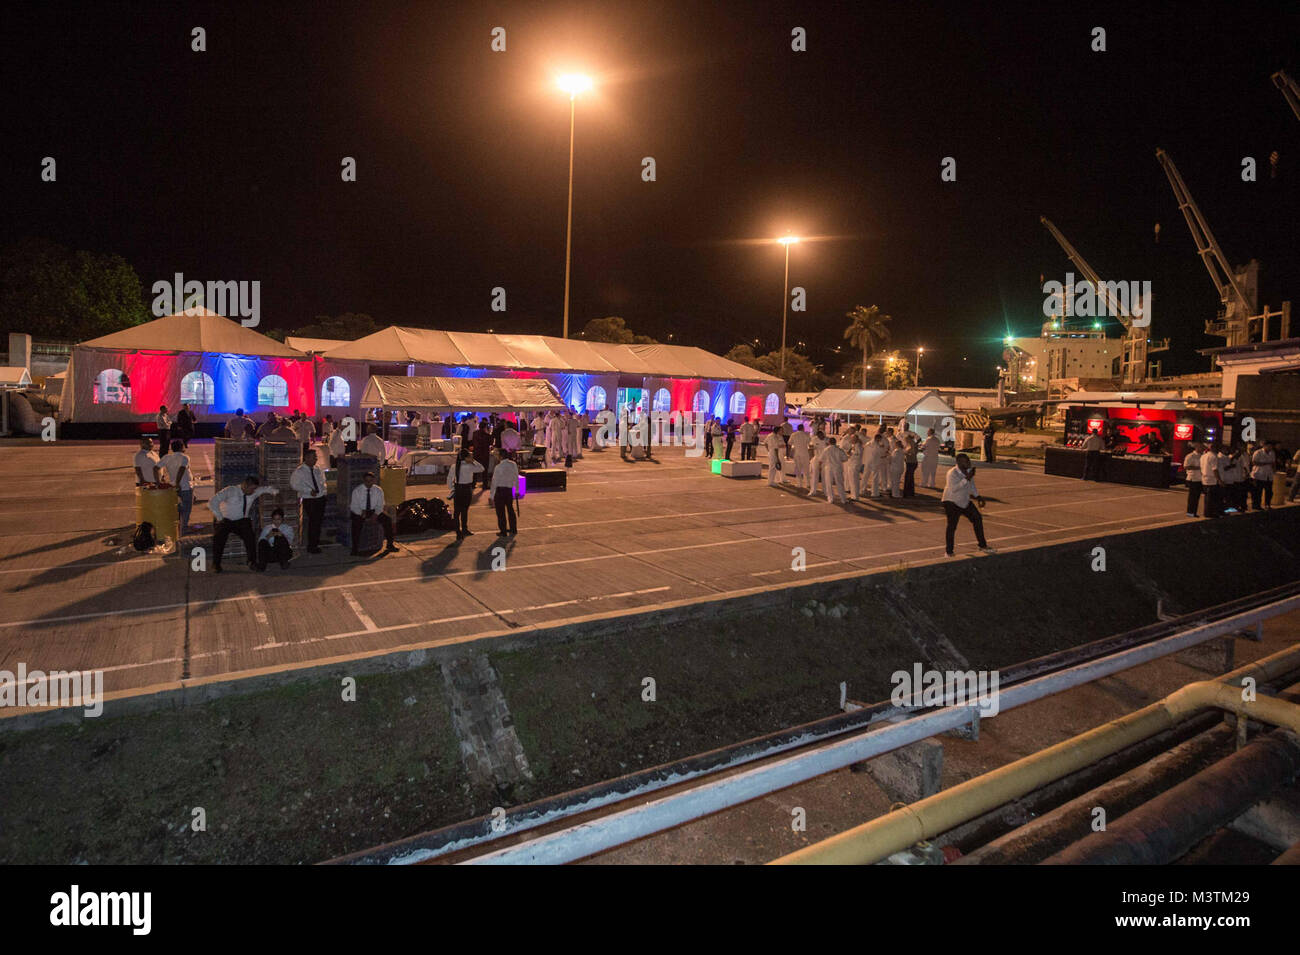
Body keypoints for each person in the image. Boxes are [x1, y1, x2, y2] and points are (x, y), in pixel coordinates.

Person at [209, 475, 277, 572]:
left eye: (255, 489)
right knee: (219, 539)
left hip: (241, 520)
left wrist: (276, 493)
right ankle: (216, 564)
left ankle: (251, 562)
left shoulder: (253, 492)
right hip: (225, 520)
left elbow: (265, 489)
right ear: (245, 485)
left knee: (250, 537)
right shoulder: (230, 491)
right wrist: (219, 517)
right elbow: (213, 502)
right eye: (252, 489)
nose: (254, 491)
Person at [942, 454, 993, 557]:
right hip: (951, 501)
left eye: (968, 460)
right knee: (952, 526)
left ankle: (982, 545)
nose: (969, 463)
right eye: (966, 461)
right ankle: (949, 551)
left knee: (977, 518)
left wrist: (978, 497)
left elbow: (971, 486)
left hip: (964, 501)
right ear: (959, 462)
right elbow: (954, 489)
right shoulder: (952, 473)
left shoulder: (968, 471)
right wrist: (967, 478)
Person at [349, 471, 397, 556]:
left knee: (387, 519)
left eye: (371, 481)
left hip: (373, 510)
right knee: (356, 524)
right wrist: (361, 512)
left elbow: (380, 505)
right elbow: (353, 506)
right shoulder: (357, 491)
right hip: (360, 511)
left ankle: (390, 544)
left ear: (374, 481)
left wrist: (376, 514)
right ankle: (355, 548)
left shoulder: (378, 490)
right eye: (367, 481)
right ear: (363, 481)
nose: (369, 483)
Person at [290, 448, 328, 553]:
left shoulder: (318, 469)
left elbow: (323, 482)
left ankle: (315, 541)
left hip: (320, 498)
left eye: (316, 457)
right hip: (309, 499)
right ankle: (312, 546)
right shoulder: (300, 471)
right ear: (306, 458)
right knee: (313, 522)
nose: (315, 459)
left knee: (318, 522)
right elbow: (294, 485)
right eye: (313, 457)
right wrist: (307, 491)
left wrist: (324, 493)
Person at [448, 448, 485, 540]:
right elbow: (482, 468)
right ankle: (464, 529)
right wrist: (473, 461)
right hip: (467, 489)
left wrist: (452, 488)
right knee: (464, 511)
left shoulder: (454, 466)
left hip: (458, 488)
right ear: (467, 457)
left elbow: (449, 479)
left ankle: (458, 532)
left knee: (457, 512)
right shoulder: (470, 466)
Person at [159, 438, 194, 533]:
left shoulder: (166, 457)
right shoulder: (185, 457)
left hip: (173, 486)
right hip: (185, 486)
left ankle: (176, 527)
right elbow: (181, 470)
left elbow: (156, 468)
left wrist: (159, 479)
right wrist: (178, 483)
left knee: (177, 507)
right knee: (187, 508)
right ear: (181, 447)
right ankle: (184, 528)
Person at [490, 450, 521, 536]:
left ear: (500, 456)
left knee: (501, 512)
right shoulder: (513, 464)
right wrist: (517, 490)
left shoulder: (498, 467)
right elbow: (516, 477)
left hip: (500, 491)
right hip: (508, 490)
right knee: (510, 510)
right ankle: (513, 528)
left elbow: (494, 482)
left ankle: (503, 531)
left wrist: (492, 496)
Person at [1251, 440, 1276, 511]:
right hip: (1259, 474)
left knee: (1269, 491)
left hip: (1269, 475)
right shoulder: (1258, 452)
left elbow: (1273, 462)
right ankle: (1256, 505)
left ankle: (1267, 504)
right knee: (1258, 491)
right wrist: (1266, 463)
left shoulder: (1272, 453)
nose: (1270, 448)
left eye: (1271, 446)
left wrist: (1274, 470)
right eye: (1268, 446)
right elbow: (1254, 462)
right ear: (1264, 446)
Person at [822, 438, 847, 503]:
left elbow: (822, 459)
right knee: (839, 483)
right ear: (835, 442)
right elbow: (845, 458)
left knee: (829, 483)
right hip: (837, 468)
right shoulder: (839, 450)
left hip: (829, 468)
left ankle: (830, 498)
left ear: (829, 442)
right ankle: (843, 499)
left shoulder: (826, 449)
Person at [1201, 443, 1222, 518]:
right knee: (1212, 498)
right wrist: (1219, 480)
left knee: (1207, 497)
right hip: (1212, 479)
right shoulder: (1213, 456)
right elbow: (1215, 469)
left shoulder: (1203, 456)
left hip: (1204, 479)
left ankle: (1207, 512)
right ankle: (1210, 513)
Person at [789, 424, 811, 491]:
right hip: (805, 453)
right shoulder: (806, 435)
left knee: (798, 469)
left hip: (797, 453)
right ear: (803, 428)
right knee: (806, 469)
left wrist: (790, 452)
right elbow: (809, 443)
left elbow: (789, 443)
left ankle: (799, 484)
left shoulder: (793, 434)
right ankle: (808, 483)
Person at [1183, 443, 1204, 518]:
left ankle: (1194, 512)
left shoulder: (1202, 456)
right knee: (1192, 497)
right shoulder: (1190, 456)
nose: (1202, 449)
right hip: (1193, 478)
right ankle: (1190, 512)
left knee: (1197, 497)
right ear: (1196, 448)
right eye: (1200, 447)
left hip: (1200, 478)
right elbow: (1186, 466)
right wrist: (1198, 468)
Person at [473, 419, 493, 487]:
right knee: (485, 470)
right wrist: (489, 433)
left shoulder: (475, 433)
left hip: (476, 453)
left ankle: (473, 483)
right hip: (484, 453)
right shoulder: (487, 435)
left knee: (475, 469)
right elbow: (491, 442)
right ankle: (485, 484)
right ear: (485, 427)